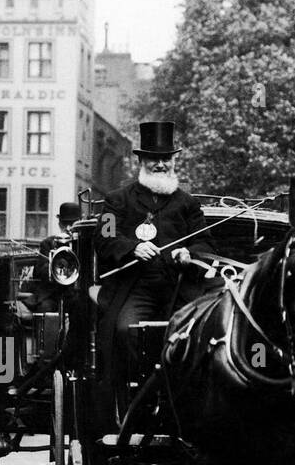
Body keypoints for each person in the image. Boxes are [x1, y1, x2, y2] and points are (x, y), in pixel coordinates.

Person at [93, 121, 217, 418]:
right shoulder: (118, 201)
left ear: (175, 161)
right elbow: (105, 237)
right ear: (141, 161)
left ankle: (187, 398)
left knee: (201, 335)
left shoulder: (188, 205)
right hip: (135, 288)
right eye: (153, 159)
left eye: (166, 159)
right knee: (125, 331)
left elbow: (206, 246)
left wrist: (190, 253)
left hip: (179, 289)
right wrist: (133, 247)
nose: (160, 164)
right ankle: (140, 396)